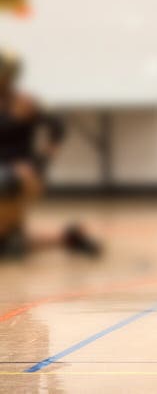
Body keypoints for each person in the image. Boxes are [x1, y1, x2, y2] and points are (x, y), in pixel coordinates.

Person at [0, 49, 100, 260]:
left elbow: (58, 127)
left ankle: (14, 235)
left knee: (7, 180)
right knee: (8, 244)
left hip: (17, 176)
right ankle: (67, 237)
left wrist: (40, 162)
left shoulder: (24, 103)